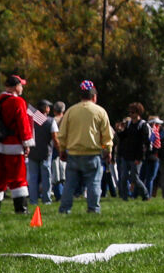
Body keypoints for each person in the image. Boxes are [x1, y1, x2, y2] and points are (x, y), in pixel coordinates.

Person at [56, 81, 113, 215]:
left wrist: (62, 150)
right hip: (92, 154)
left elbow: (62, 134)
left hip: (74, 153)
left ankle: (65, 209)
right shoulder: (100, 112)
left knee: (69, 185)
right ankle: (93, 209)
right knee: (93, 183)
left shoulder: (70, 111)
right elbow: (106, 136)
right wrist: (108, 150)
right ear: (94, 96)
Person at [0, 75, 35, 215]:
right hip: (13, 144)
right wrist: (27, 143)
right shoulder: (18, 102)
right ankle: (21, 208)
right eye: (21, 85)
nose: (22, 88)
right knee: (17, 177)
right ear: (15, 86)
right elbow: (23, 124)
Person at [116, 104, 152, 201]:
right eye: (130, 112)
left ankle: (145, 195)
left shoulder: (143, 125)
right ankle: (124, 197)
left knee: (134, 178)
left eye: (133, 112)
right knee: (123, 177)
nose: (130, 114)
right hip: (126, 155)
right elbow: (123, 136)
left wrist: (140, 157)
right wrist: (119, 131)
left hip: (136, 157)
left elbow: (145, 143)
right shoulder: (129, 124)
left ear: (138, 113)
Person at [28, 101, 58, 207]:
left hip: (32, 152)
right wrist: (60, 150)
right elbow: (54, 137)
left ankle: (33, 200)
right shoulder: (50, 121)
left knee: (32, 178)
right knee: (46, 177)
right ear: (46, 108)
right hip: (46, 153)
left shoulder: (31, 120)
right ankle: (46, 199)